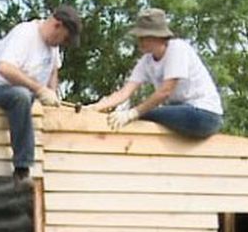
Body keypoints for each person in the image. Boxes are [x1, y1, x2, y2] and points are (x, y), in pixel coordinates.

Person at [0, 6, 81, 188]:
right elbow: (5, 68)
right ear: (57, 25)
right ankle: (22, 169)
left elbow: (53, 70)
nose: (62, 43)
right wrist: (39, 90)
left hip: (23, 99)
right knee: (21, 95)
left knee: (25, 97)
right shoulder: (25, 34)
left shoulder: (52, 47)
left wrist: (52, 96)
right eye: (64, 38)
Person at [87, 8, 223, 138]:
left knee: (144, 115)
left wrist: (132, 113)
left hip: (204, 115)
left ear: (157, 36)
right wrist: (95, 107)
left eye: (144, 37)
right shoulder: (146, 61)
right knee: (142, 114)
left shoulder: (177, 49)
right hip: (180, 110)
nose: (139, 41)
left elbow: (165, 92)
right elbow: (124, 93)